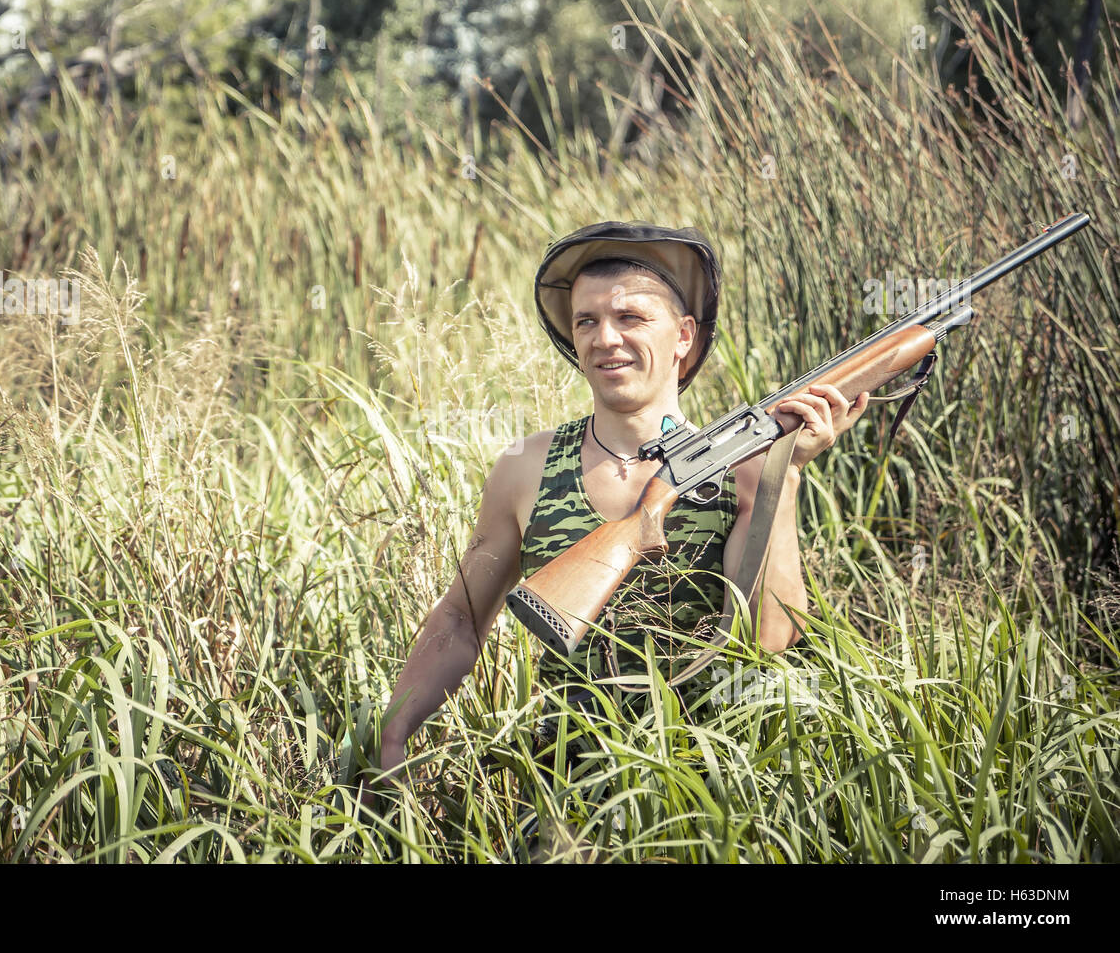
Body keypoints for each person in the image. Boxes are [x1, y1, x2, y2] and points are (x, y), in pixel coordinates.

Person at [361, 220, 868, 811]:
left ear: (683, 336)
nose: (605, 338)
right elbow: (461, 618)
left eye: (630, 318)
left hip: (711, 790)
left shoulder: (747, 471)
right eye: (587, 321)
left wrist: (788, 474)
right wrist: (394, 730)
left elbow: (767, 641)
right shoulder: (525, 468)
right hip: (564, 789)